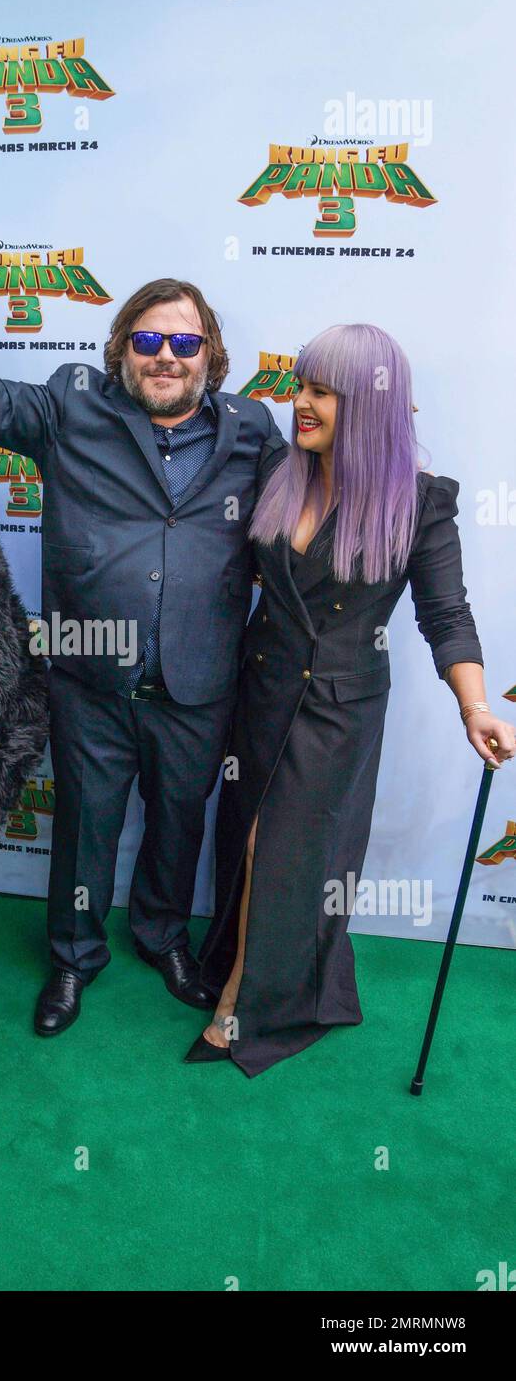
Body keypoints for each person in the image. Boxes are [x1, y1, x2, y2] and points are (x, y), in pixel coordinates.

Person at [0, 279, 287, 1035]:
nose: (167, 357)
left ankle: (165, 939)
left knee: (177, 824)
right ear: (122, 348)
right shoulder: (73, 410)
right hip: (92, 680)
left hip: (199, 683)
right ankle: (73, 955)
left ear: (211, 356)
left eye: (185, 343)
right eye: (149, 340)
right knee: (86, 827)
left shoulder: (253, 429)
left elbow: (306, 513)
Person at [185, 323, 515, 1076]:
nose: (299, 403)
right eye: (300, 385)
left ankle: (242, 1002)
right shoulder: (279, 471)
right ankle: (268, 971)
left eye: (321, 392)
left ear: (369, 407)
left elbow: (447, 616)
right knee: (245, 839)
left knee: (288, 849)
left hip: (338, 709)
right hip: (261, 689)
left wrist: (476, 709)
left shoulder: (420, 506)